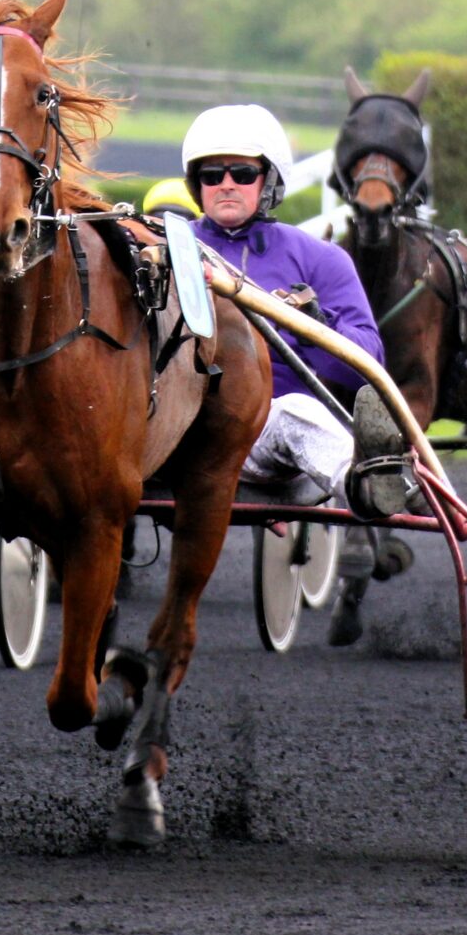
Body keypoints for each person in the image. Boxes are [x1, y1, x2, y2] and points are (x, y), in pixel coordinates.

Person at [181, 104, 403, 645]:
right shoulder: (168, 252)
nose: (226, 185)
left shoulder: (321, 260)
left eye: (242, 173)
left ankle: (366, 480)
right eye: (212, 175)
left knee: (298, 413)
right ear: (197, 185)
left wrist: (312, 325)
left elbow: (368, 359)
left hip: (268, 431)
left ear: (270, 180)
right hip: (180, 426)